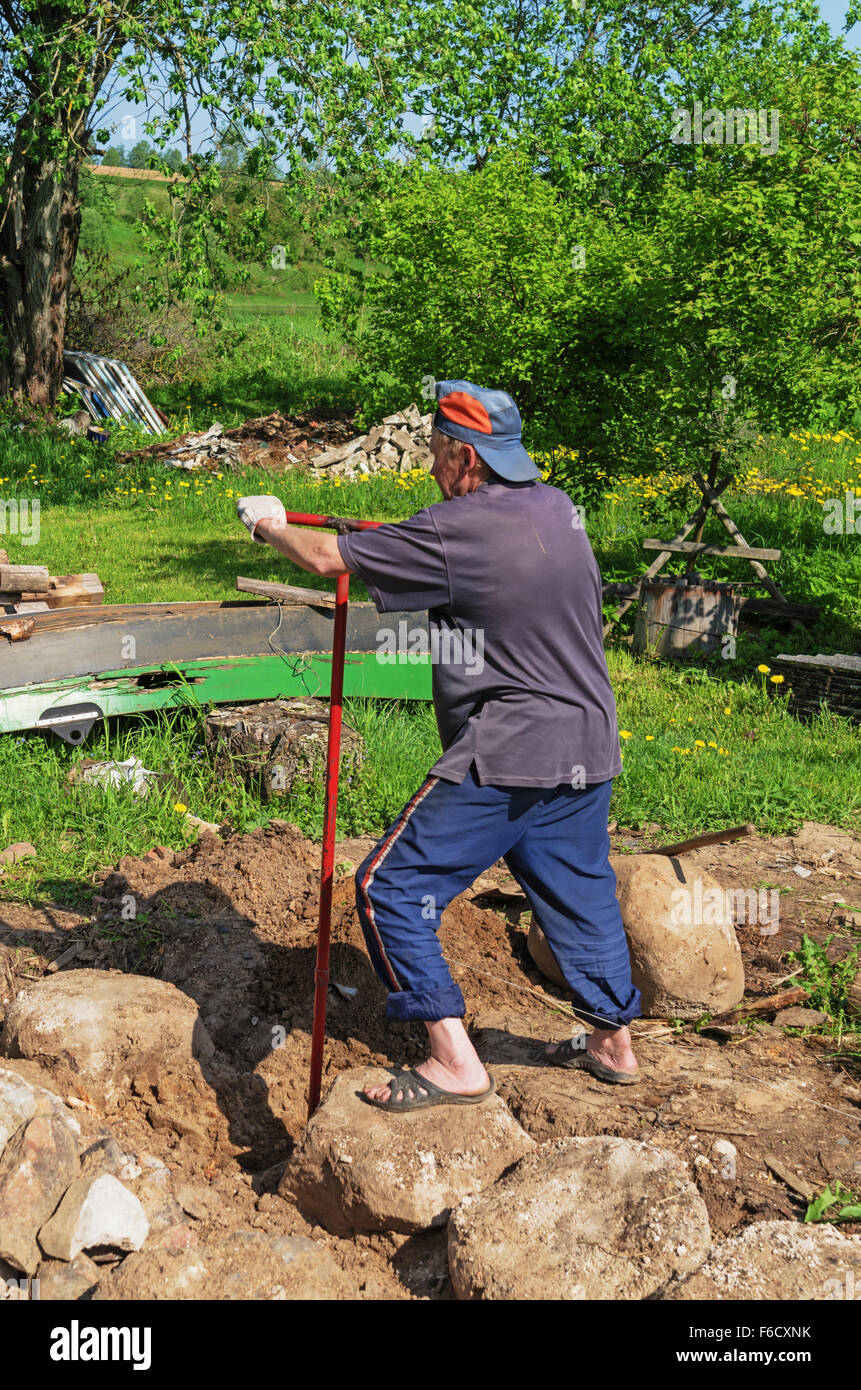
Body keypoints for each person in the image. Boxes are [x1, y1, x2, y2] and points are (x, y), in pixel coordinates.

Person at [237, 379, 641, 1113]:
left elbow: (329, 559)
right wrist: (407, 538)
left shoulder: (455, 530)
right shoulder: (554, 509)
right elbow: (465, 547)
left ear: (462, 458)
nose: (427, 469)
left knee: (388, 888)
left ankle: (455, 1063)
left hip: (510, 749)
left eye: (432, 454)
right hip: (587, 741)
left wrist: (266, 524)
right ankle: (613, 1042)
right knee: (579, 897)